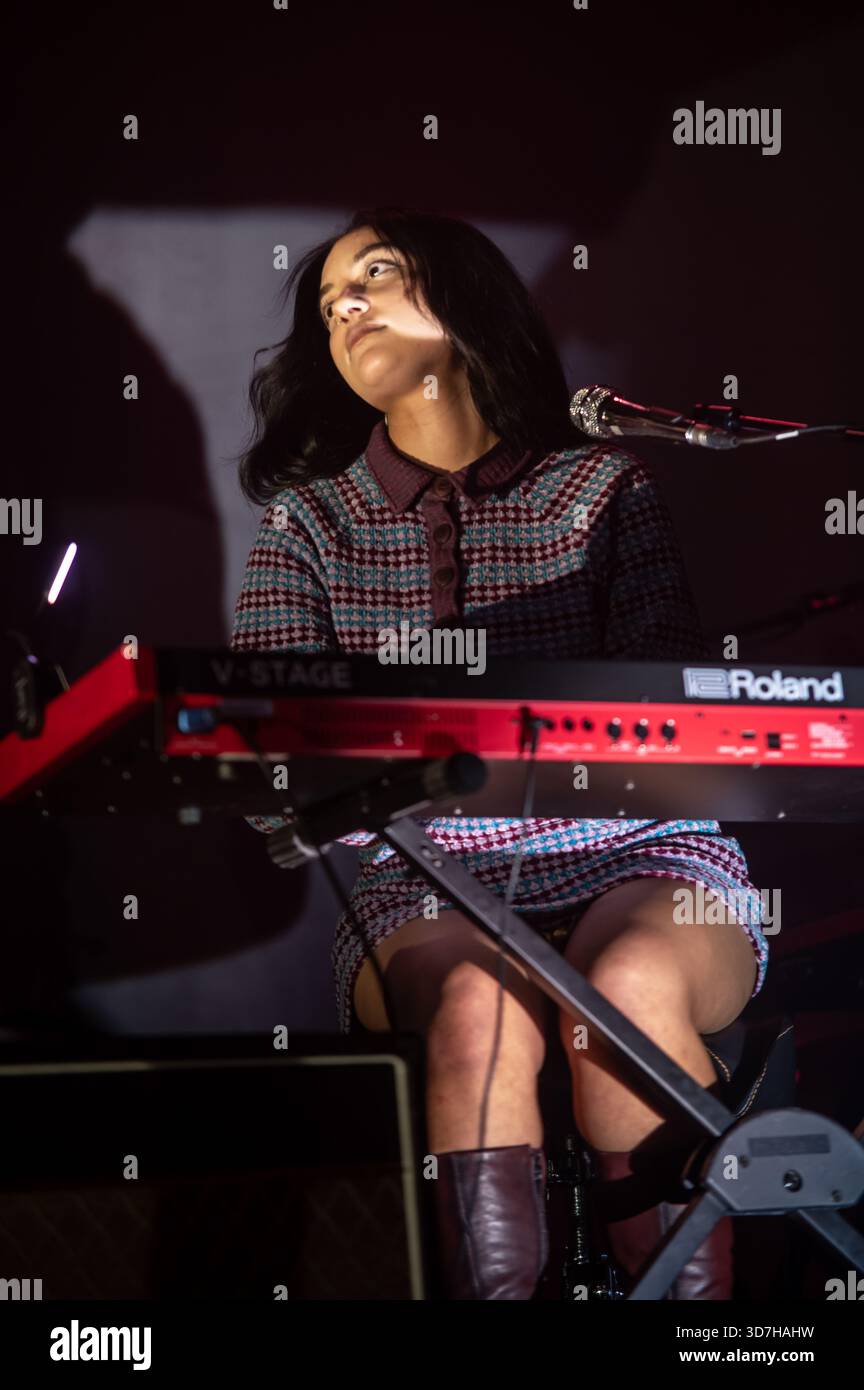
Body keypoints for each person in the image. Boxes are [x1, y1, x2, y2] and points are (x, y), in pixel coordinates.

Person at [230, 206, 770, 1300]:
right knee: (473, 1009)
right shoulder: (306, 526)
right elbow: (274, 786)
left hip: (638, 848)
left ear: (464, 295)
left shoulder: (607, 486)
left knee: (620, 988)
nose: (343, 306)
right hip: (427, 874)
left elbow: (675, 728)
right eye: (330, 301)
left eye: (374, 275)